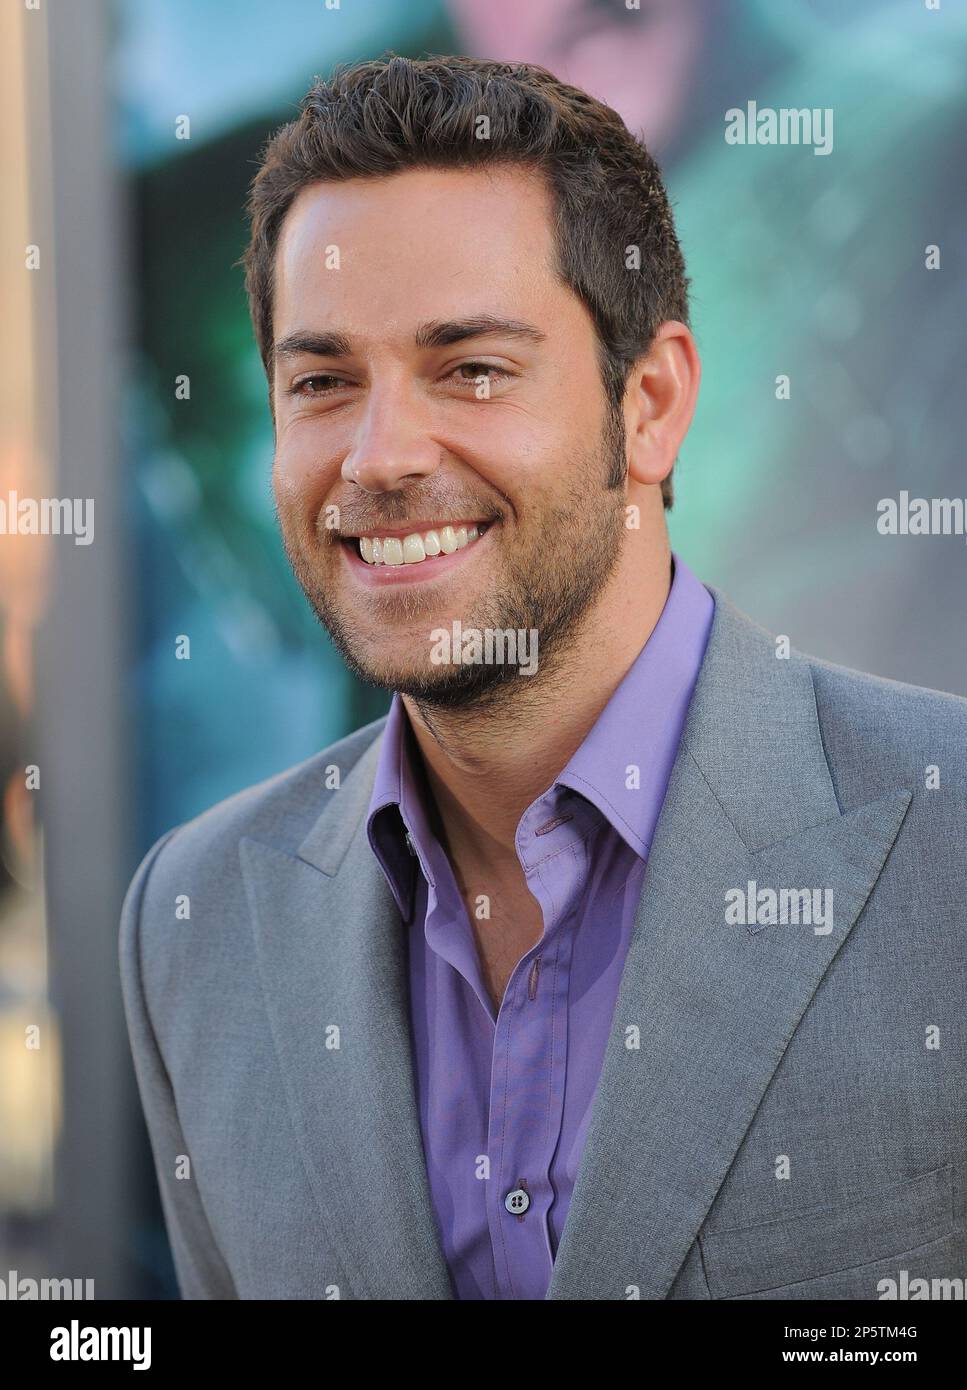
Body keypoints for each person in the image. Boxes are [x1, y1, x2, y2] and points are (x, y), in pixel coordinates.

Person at [119, 54, 967, 1301]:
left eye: (470, 368)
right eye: (322, 382)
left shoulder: (942, 845)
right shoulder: (192, 920)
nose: (381, 455)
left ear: (653, 403)